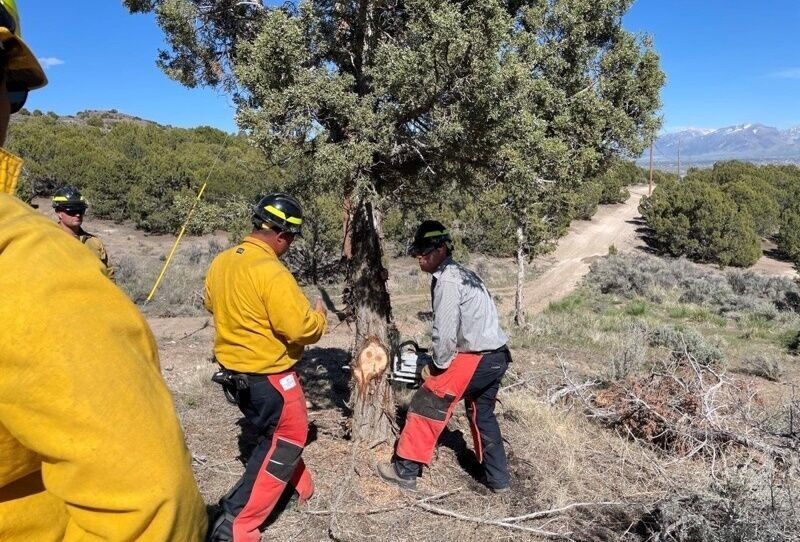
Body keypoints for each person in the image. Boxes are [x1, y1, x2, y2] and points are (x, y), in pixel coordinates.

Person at [0, 1, 208, 540]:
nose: (73, 216)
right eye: (67, 210)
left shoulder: (87, 250)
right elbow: (155, 501)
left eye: (79, 212)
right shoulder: (30, 261)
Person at [204, 193, 328, 542]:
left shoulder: (222, 262)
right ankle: (236, 524)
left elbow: (209, 302)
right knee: (288, 438)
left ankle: (302, 489)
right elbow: (301, 328)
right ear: (282, 235)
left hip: (236, 376)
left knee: (271, 435)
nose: (288, 245)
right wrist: (319, 319)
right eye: (290, 239)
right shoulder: (271, 271)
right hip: (271, 376)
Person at [377, 220, 512, 493]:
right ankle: (499, 480)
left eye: (425, 251)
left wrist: (436, 366)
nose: (419, 257)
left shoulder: (448, 281)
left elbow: (446, 332)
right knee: (482, 414)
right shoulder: (463, 274)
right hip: (497, 356)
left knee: (428, 401)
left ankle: (405, 471)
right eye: (418, 251)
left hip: (476, 357)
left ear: (442, 248)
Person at [52, 185, 115, 280]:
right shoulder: (49, 240)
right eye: (72, 211)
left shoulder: (95, 243)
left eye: (80, 210)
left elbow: (109, 275)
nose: (77, 215)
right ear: (58, 212)